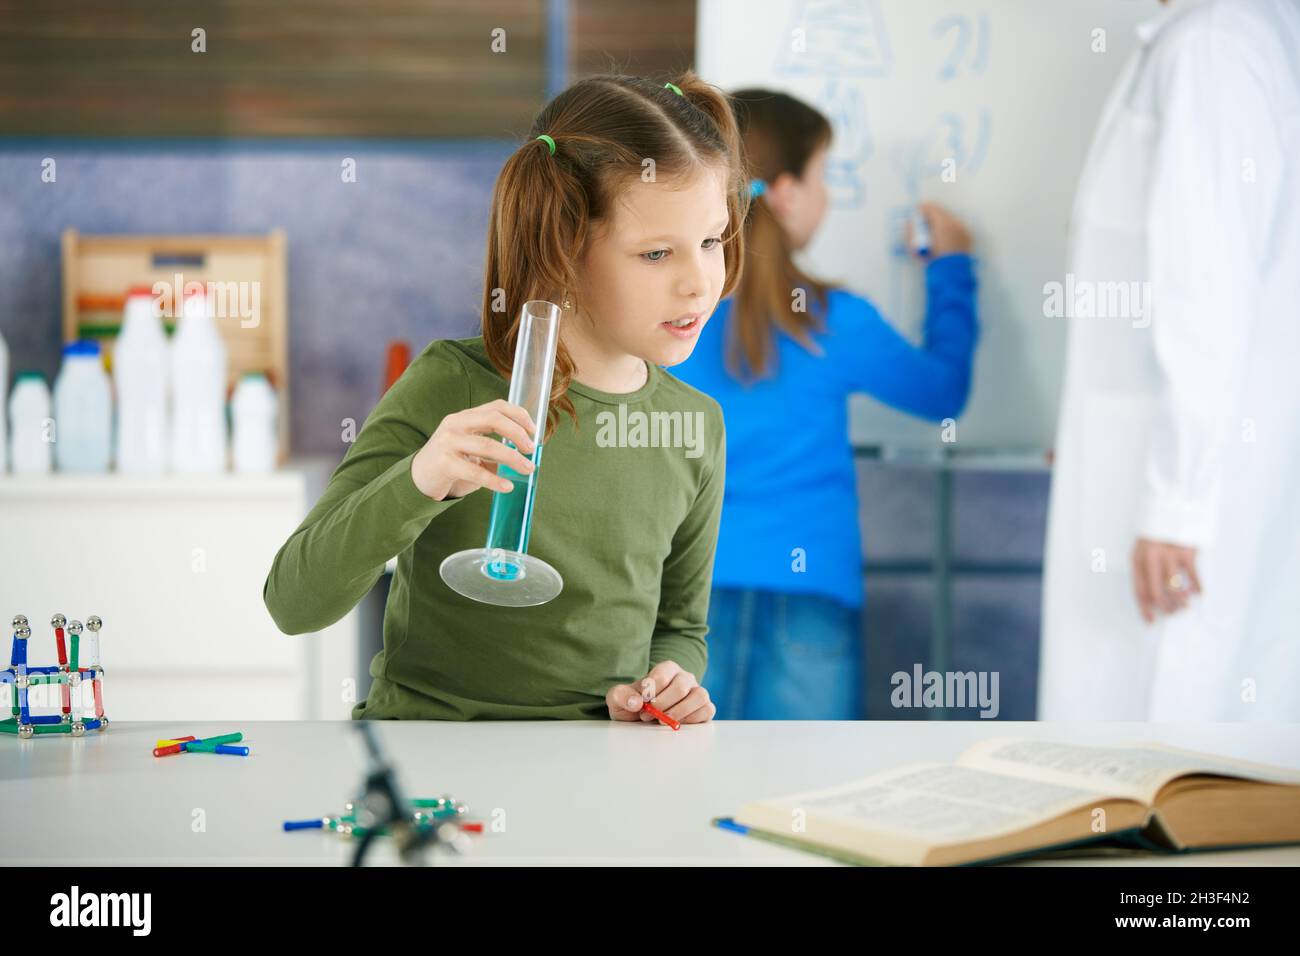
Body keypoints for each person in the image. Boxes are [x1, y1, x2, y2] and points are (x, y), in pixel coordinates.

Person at [264, 72, 747, 724]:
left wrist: (672, 679)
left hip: (601, 770)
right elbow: (295, 602)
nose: (701, 284)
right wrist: (421, 478)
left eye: (712, 241)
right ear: (565, 247)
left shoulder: (696, 426)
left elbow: (682, 627)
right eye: (658, 253)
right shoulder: (451, 386)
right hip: (430, 766)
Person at [669, 89, 979, 719]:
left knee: (679, 783)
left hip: (684, 599)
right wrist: (952, 268)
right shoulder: (837, 321)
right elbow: (943, 394)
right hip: (809, 594)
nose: (830, 196)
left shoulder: (671, 314)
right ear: (784, 192)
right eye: (824, 176)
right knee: (799, 797)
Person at [1040, 0, 1300, 721]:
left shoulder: (1214, 47)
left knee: (1155, 729)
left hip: (1177, 491)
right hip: (1169, 465)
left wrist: (1176, 502)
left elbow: (1203, 289)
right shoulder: (1218, 40)